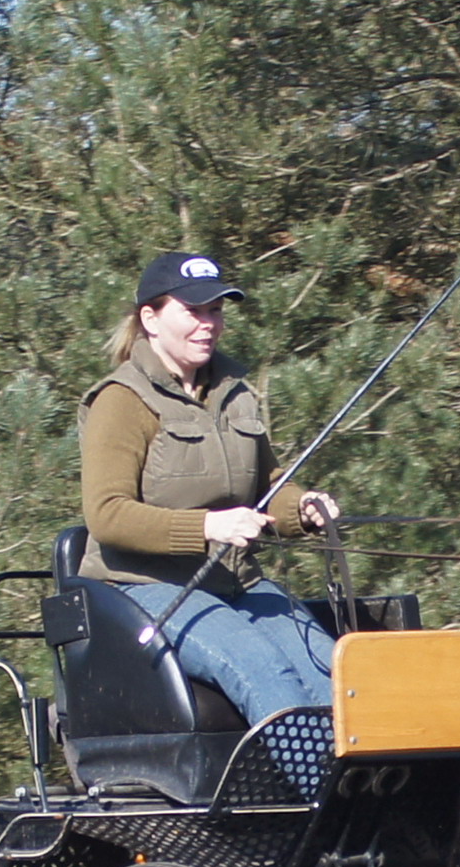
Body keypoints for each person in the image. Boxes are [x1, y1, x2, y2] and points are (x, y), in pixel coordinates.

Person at [77, 251, 341, 729]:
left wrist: (301, 507)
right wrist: (207, 527)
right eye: (193, 311)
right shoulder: (121, 400)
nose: (208, 324)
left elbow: (267, 485)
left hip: (238, 583)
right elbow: (107, 515)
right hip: (146, 589)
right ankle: (315, 776)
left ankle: (370, 776)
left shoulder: (233, 392)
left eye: (215, 310)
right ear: (150, 319)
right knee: (265, 670)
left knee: (337, 676)